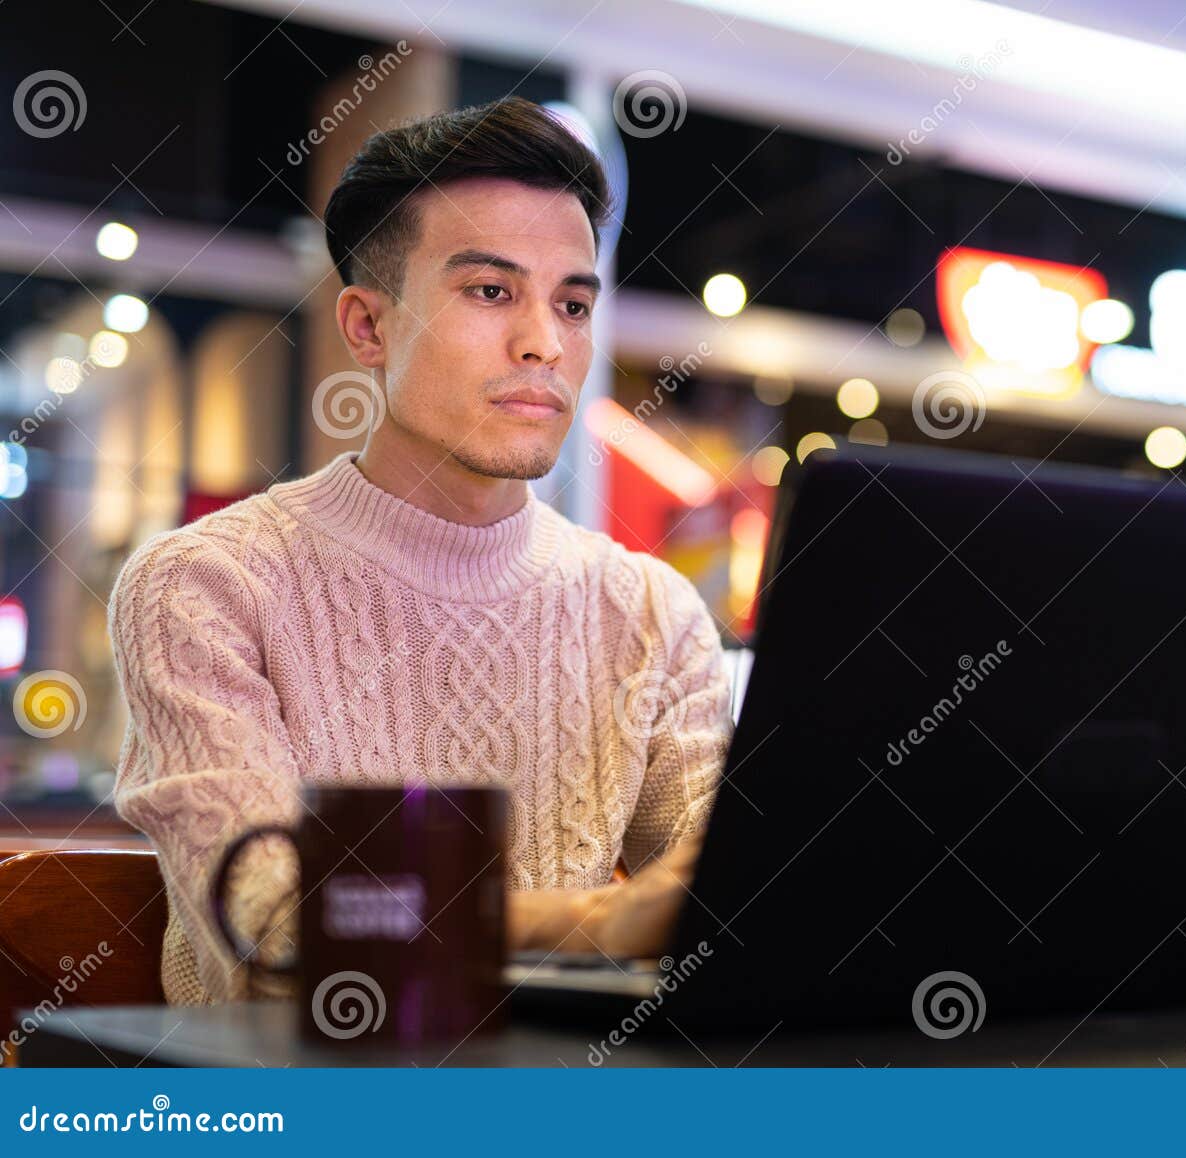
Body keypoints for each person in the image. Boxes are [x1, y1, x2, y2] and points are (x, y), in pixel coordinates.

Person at [107, 97, 729, 1005]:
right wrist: (591, 923)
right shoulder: (205, 586)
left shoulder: (649, 613)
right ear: (367, 326)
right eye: (490, 292)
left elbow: (737, 900)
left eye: (574, 302)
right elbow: (274, 932)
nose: (545, 343)